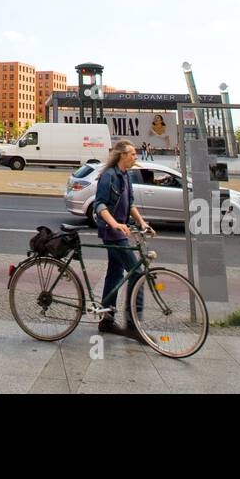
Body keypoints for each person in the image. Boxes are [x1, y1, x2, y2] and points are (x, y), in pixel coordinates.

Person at [93, 140, 154, 338]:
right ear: (122, 155)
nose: (135, 157)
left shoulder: (126, 176)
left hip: (122, 231)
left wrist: (142, 222)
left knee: (115, 274)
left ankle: (107, 320)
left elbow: (131, 204)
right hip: (113, 233)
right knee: (137, 273)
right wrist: (114, 224)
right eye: (133, 154)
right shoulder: (108, 176)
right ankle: (133, 325)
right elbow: (100, 205)